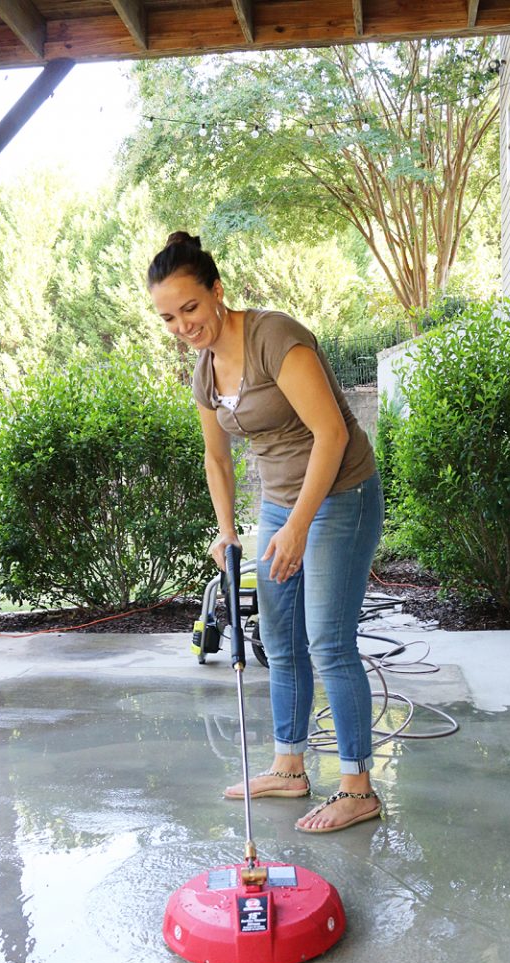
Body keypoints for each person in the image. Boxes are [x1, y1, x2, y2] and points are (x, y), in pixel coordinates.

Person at [147, 232, 384, 832]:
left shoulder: (273, 338)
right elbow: (217, 459)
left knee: (326, 640)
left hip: (340, 491)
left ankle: (357, 787)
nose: (183, 325)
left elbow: (330, 434)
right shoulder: (204, 371)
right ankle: (289, 767)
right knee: (279, 640)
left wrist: (299, 527)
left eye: (191, 308)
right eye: (169, 317)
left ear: (217, 291)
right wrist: (227, 531)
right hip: (281, 501)